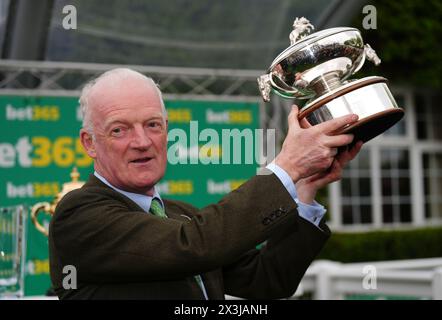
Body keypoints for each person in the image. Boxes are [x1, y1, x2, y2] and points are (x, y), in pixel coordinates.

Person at [49, 68, 362, 300]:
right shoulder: (78, 215)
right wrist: (287, 167)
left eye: (153, 125)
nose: (142, 141)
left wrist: (304, 186)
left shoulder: (178, 214)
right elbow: (196, 245)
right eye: (120, 130)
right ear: (89, 143)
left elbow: (267, 280)